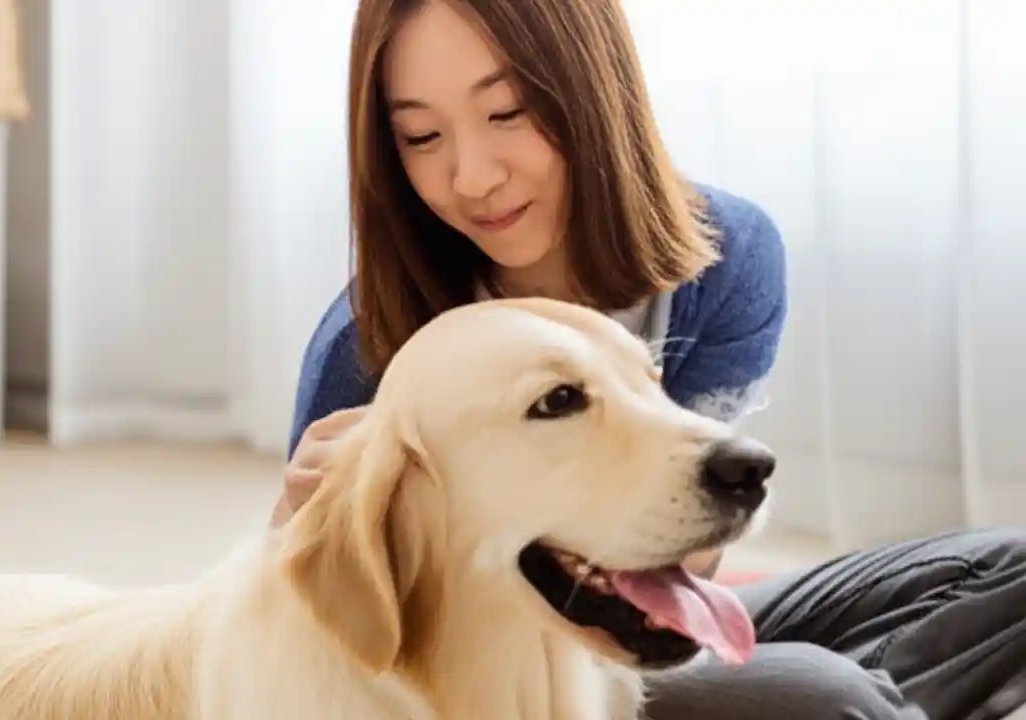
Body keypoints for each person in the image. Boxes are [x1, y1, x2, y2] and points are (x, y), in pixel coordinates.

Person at [269, 1, 1026, 718]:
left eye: (508, 112)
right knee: (819, 696)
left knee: (1010, 573)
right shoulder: (372, 345)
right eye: (421, 138)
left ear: (592, 88)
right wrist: (299, 527)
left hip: (634, 614)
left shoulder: (729, 255)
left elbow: (685, 556)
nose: (472, 176)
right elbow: (316, 645)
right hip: (486, 682)